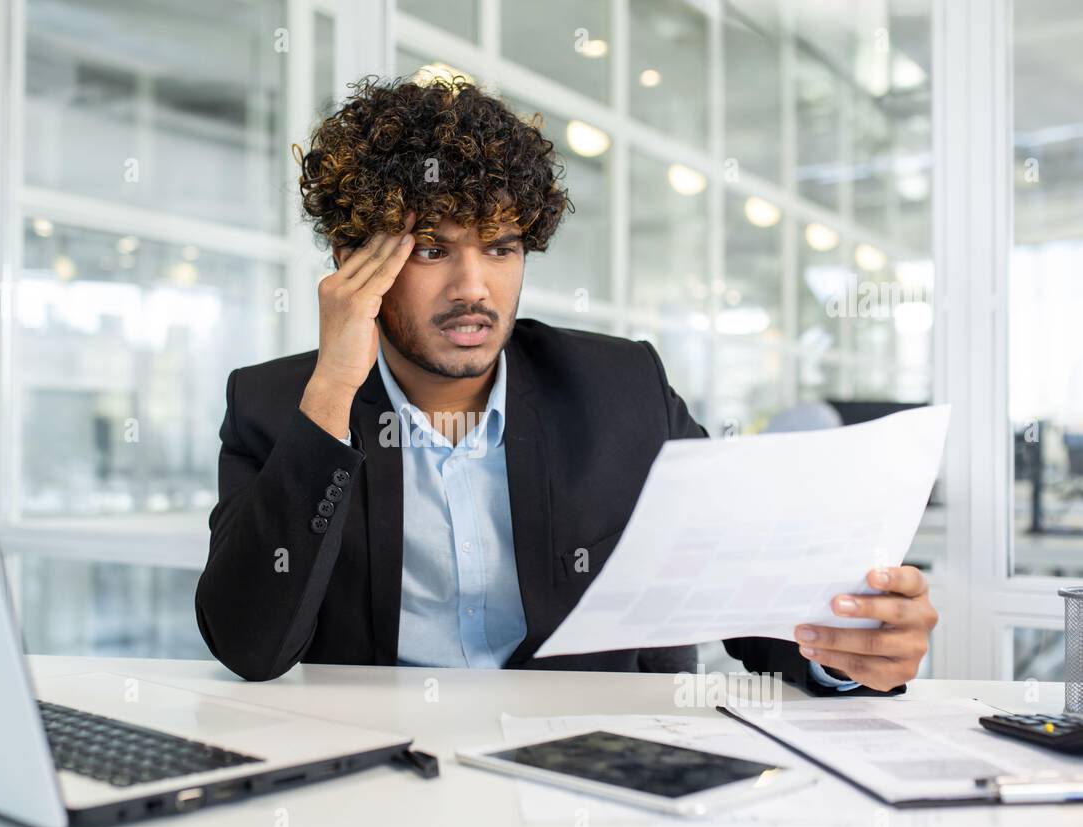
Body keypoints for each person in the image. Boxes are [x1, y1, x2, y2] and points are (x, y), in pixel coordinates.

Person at [195, 76, 937, 692]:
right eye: (431, 249)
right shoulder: (275, 407)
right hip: (387, 783)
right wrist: (330, 394)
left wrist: (849, 653)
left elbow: (754, 597)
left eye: (501, 247)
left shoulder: (620, 391)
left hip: (596, 772)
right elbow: (250, 647)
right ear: (354, 260)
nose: (473, 288)